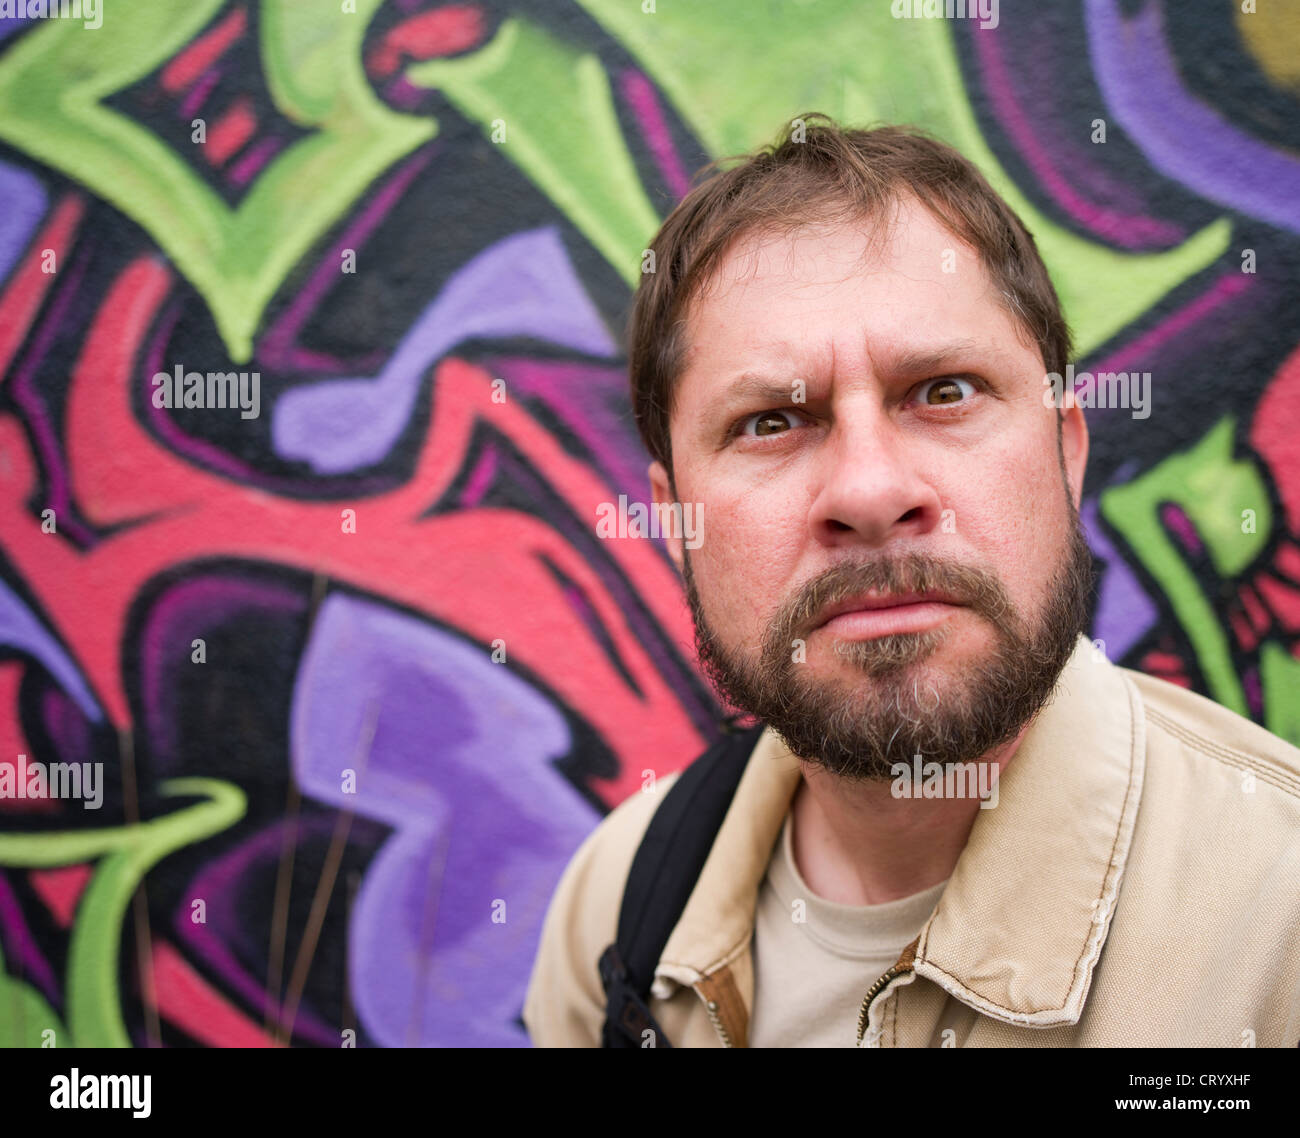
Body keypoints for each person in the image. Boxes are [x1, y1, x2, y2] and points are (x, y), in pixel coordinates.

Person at [523, 112, 1300, 1047]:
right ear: (674, 513)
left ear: (1065, 452)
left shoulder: (1275, 924)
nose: (870, 491)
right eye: (772, 421)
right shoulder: (617, 911)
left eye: (944, 392)